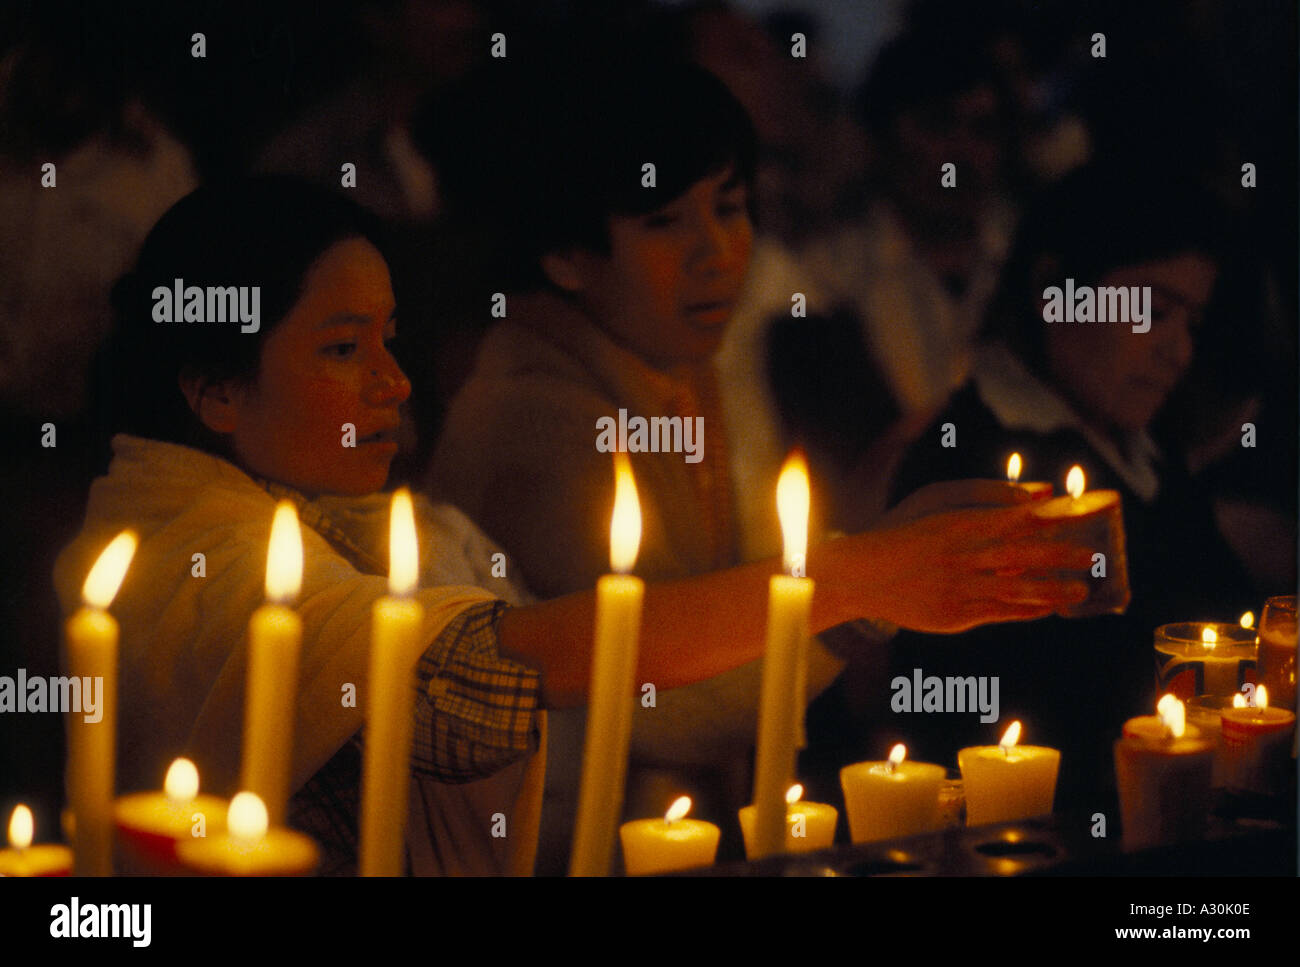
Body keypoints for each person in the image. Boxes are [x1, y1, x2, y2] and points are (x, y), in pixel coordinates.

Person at [425, 49, 1091, 867]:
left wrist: (875, 557)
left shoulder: (666, 369)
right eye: (664, 222)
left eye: (731, 207)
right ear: (566, 255)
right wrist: (872, 587)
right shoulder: (541, 412)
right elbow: (654, 700)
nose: (717, 252)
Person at [884, 164, 1265, 806]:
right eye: (1153, 309)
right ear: (1051, 290)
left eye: (1192, 324)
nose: (1179, 352)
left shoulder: (1146, 449)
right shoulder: (972, 465)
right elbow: (990, 719)